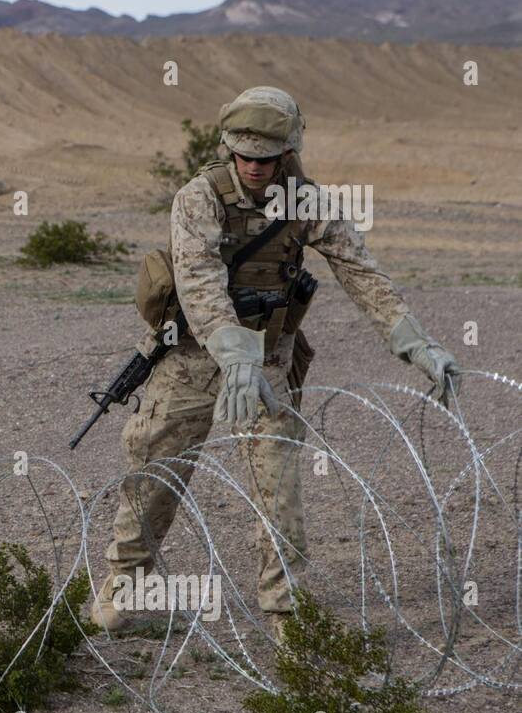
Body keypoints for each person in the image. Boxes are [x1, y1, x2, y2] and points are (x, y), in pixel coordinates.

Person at [90, 86, 460, 640]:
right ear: (228, 148)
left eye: (266, 158)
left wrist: (416, 343)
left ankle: (284, 611)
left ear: (287, 152)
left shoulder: (305, 201)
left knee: (279, 489)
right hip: (194, 357)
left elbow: (361, 272)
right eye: (244, 156)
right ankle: (123, 583)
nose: (254, 167)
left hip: (268, 362)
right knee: (155, 473)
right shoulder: (200, 197)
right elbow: (199, 282)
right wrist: (233, 356)